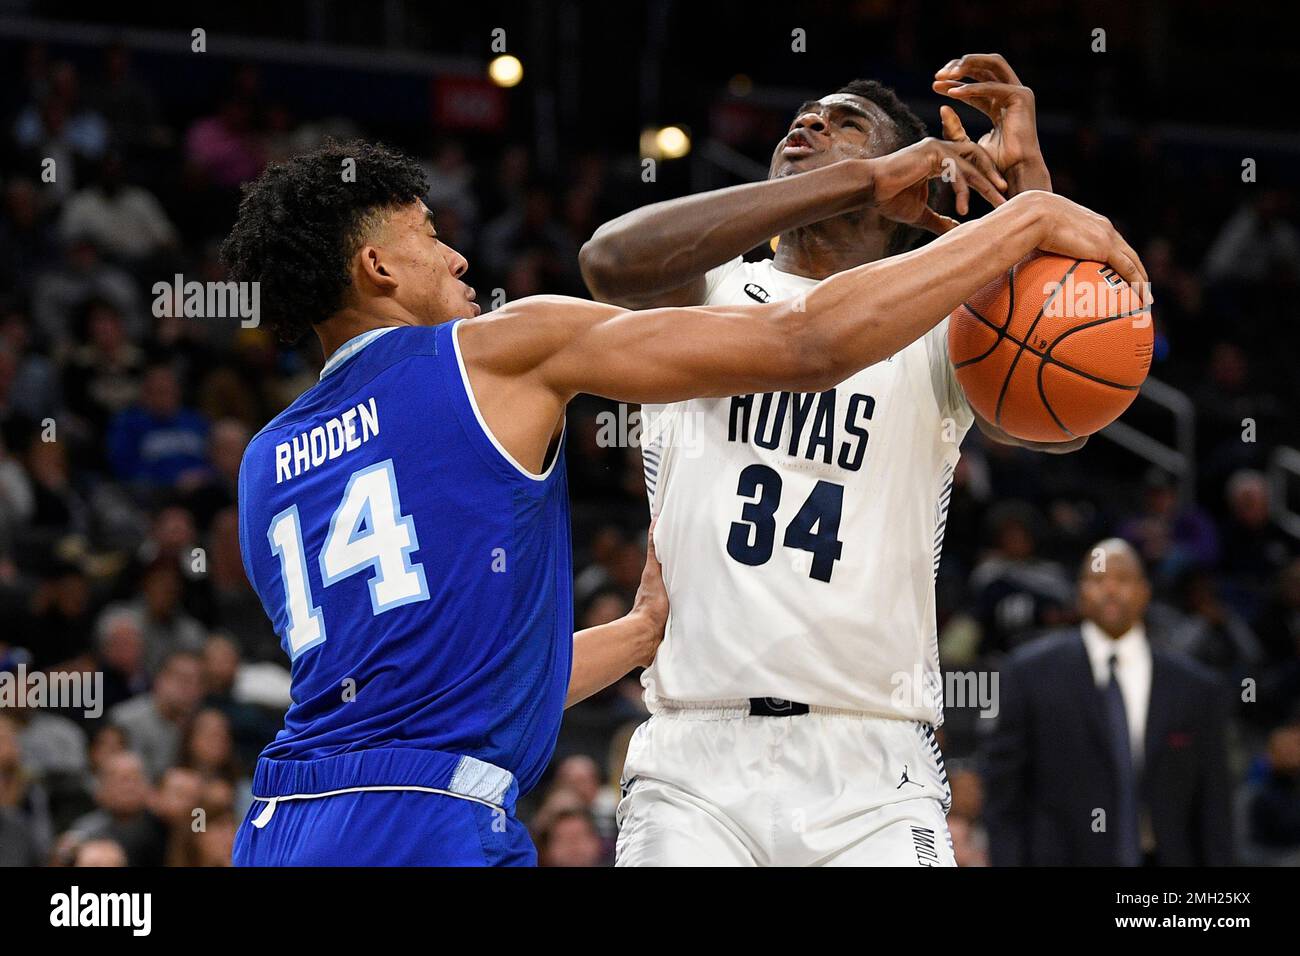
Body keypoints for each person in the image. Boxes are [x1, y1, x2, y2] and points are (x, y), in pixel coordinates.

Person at [223, 137, 1142, 867]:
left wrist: (634, 636)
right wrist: (1027, 220)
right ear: (379, 268)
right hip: (432, 819)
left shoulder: (264, 464)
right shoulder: (496, 351)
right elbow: (808, 344)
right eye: (430, 234)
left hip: (283, 816)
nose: (460, 253)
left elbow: (420, 688)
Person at [579, 55, 1096, 865]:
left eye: (848, 122)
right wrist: (858, 177)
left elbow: (1062, 427)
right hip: (696, 755)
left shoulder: (943, 325)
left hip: (875, 761)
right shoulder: (707, 287)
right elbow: (610, 261)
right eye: (808, 115)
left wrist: (1029, 191)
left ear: (907, 186)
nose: (811, 122)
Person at [982, 539, 1233, 866]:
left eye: (1122, 579)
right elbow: (1004, 796)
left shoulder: (1195, 687)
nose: (1110, 590)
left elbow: (1214, 805)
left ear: (1144, 592)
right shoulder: (1029, 674)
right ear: (1081, 594)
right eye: (1098, 580)